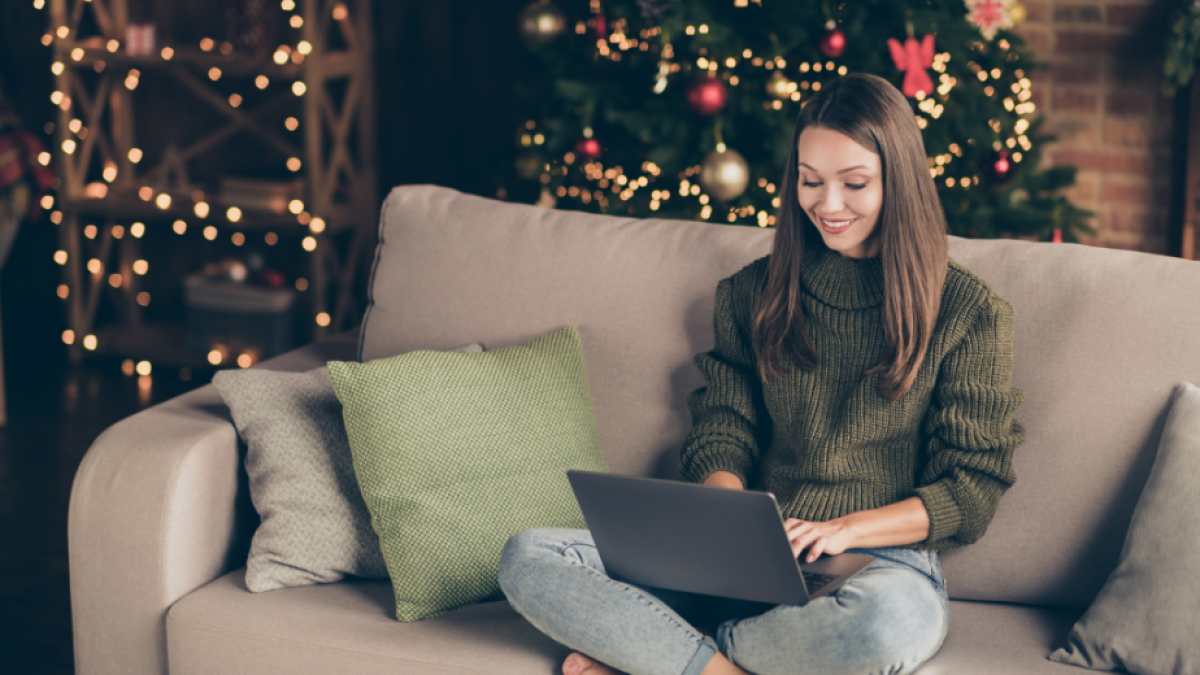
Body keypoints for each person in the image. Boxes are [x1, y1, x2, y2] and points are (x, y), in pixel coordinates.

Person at [497, 72, 1027, 675]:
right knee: (528, 555)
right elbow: (725, 427)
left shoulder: (970, 313)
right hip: (746, 558)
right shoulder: (754, 291)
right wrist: (731, 520)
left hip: (881, 565)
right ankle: (718, 665)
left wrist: (844, 528)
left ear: (898, 181)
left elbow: (970, 486)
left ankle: (665, 653)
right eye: (810, 181)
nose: (828, 205)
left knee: (887, 627)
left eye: (854, 183)